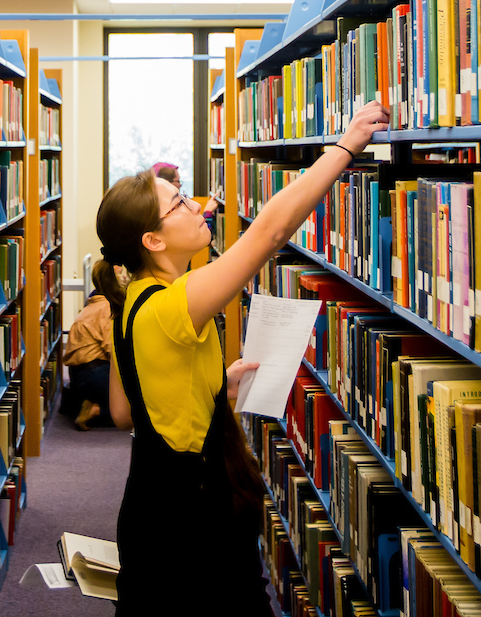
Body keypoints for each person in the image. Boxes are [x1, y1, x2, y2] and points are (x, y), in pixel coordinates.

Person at [95, 101, 389, 616]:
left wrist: (211, 387)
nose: (199, 207)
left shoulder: (134, 297)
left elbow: (126, 412)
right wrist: (344, 147)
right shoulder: (170, 305)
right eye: (180, 204)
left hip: (152, 501)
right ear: (153, 239)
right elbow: (269, 234)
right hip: (187, 517)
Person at [62, 287, 113, 430]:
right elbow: (111, 347)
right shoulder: (107, 308)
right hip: (96, 373)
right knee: (135, 411)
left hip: (78, 374)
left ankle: (91, 403)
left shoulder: (88, 308)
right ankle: (96, 410)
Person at [151, 161, 217, 214]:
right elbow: (193, 230)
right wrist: (207, 213)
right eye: (178, 181)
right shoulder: (172, 211)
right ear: (167, 183)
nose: (180, 185)